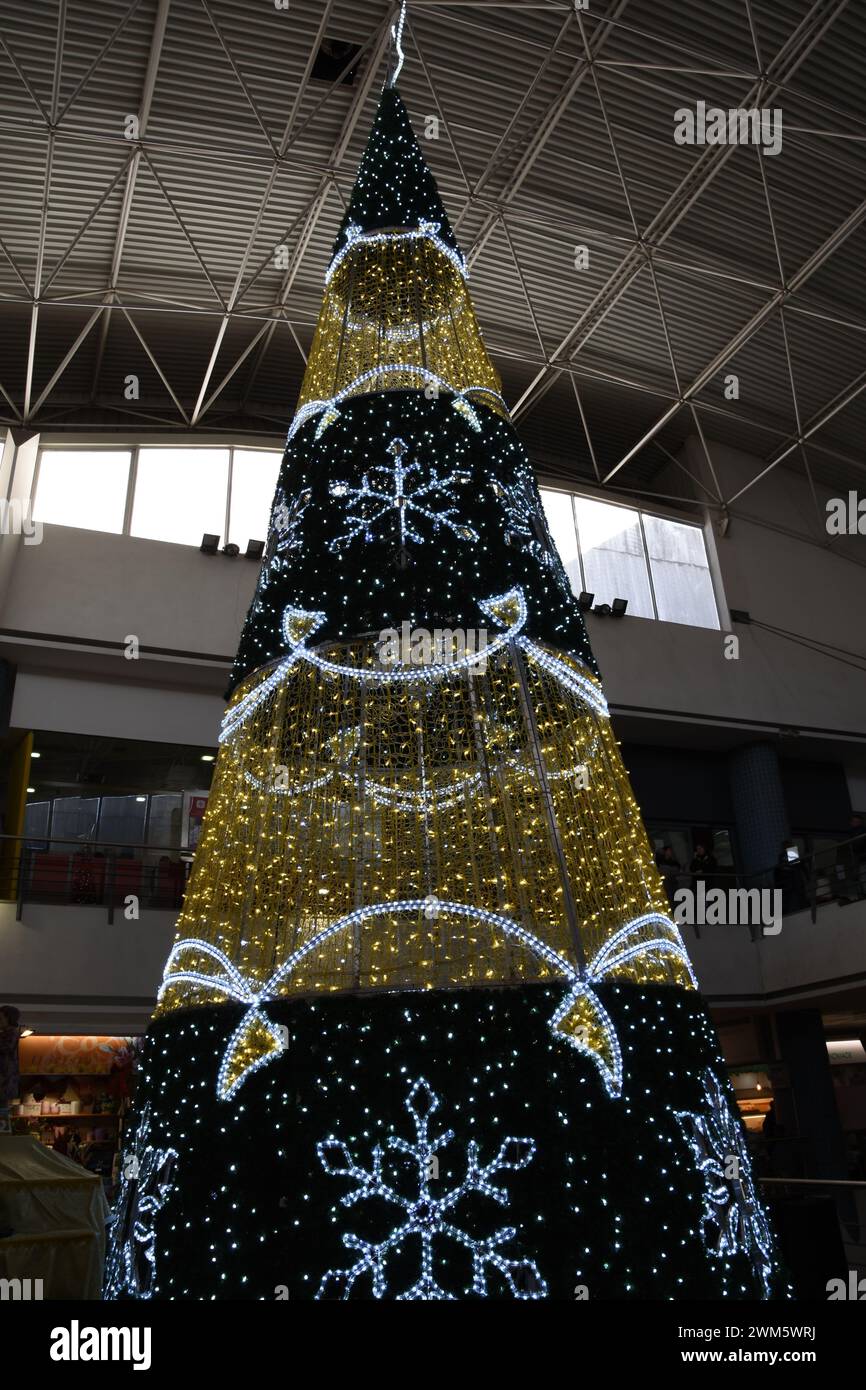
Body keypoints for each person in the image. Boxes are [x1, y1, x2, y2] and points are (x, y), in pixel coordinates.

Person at [0, 1004, 22, 1133]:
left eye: (1, 1018)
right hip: (6, 1080)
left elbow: (4, 1048)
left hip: (4, 1079)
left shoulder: (10, 1034)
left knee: (2, 1106)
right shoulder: (10, 1034)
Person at [655, 845, 682, 909]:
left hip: (672, 883)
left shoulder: (672, 861)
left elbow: (678, 868)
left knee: (675, 899)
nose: (670, 852)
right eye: (668, 851)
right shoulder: (660, 861)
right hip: (666, 884)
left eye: (670, 851)